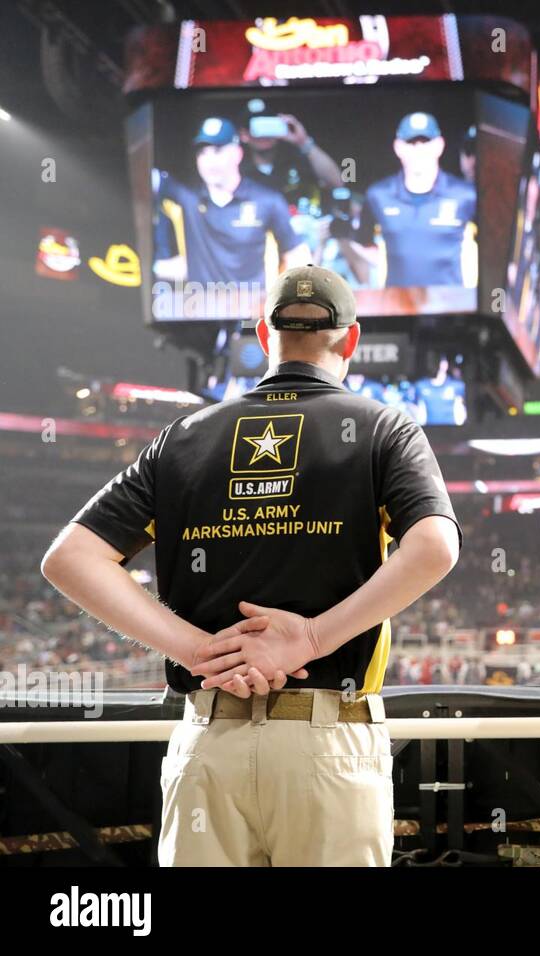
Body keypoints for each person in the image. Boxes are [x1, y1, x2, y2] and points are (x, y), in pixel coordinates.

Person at [41, 264, 461, 866]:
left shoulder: (183, 437)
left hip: (209, 741)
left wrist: (196, 650)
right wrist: (310, 638)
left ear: (264, 336)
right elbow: (434, 547)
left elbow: (71, 558)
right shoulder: (381, 427)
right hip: (327, 744)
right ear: (351, 339)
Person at [153, 118, 311, 293]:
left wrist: (296, 305)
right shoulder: (187, 196)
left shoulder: (267, 200)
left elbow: (297, 256)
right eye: (202, 153)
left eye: (218, 151)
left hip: (253, 314)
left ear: (237, 154)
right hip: (202, 313)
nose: (209, 161)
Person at [343, 112, 477, 288]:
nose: (418, 149)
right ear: (398, 147)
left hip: (451, 307)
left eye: (425, 142)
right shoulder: (379, 195)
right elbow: (362, 240)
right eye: (411, 142)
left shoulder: (466, 195)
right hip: (397, 306)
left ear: (439, 145)